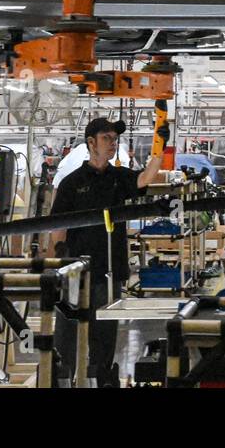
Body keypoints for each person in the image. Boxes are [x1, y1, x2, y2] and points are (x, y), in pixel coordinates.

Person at [49, 117, 164, 386]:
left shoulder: (118, 178)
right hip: (75, 271)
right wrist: (60, 264)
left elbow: (146, 177)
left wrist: (160, 145)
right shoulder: (71, 182)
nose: (112, 143)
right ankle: (62, 378)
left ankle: (103, 379)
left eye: (114, 139)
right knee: (66, 334)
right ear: (91, 143)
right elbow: (57, 229)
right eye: (106, 138)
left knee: (104, 333)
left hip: (109, 269)